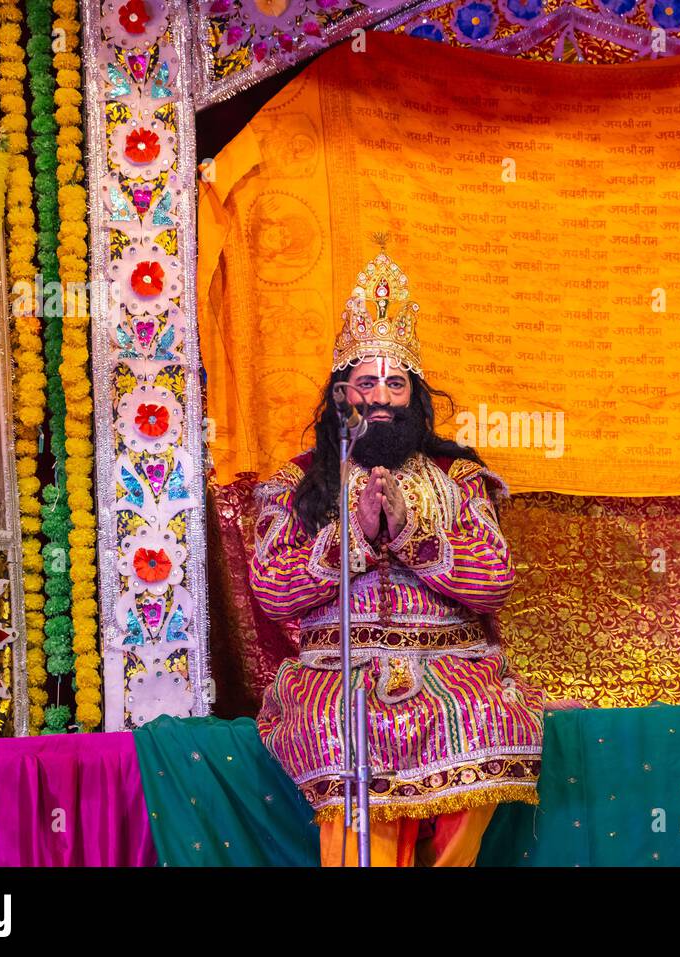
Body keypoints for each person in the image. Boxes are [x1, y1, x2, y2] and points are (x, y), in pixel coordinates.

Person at [249, 241, 545, 866]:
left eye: (395, 382)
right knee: (344, 732)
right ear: (340, 396)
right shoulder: (299, 483)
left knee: (488, 719)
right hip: (339, 671)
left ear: (414, 396)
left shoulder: (457, 476)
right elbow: (272, 592)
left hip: (452, 667)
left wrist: (411, 534)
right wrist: (352, 539)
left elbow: (495, 581)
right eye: (365, 382)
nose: (380, 396)